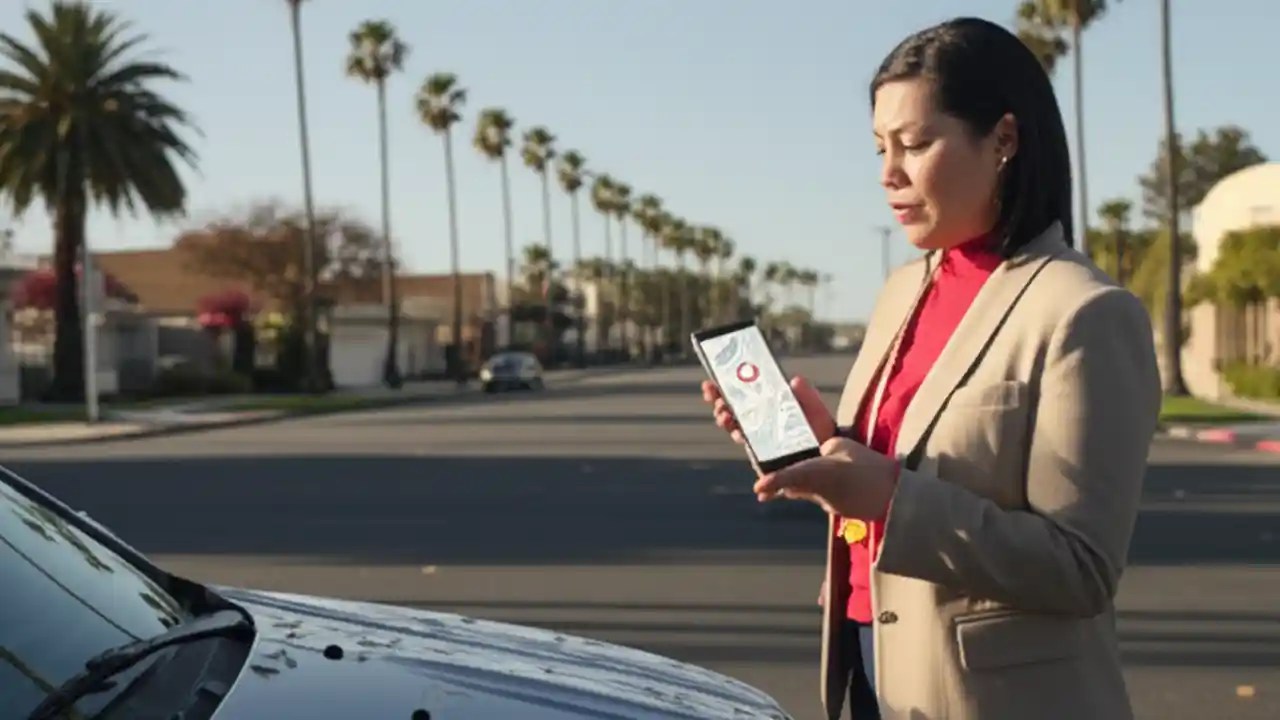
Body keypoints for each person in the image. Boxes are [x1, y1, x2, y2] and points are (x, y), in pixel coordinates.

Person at [701, 16, 1161, 720]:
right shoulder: (901, 292)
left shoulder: (1085, 312)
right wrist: (825, 442)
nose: (889, 173)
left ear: (1003, 139)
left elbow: (1079, 568)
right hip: (872, 668)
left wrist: (889, 496)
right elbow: (894, 466)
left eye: (914, 144)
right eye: (880, 147)